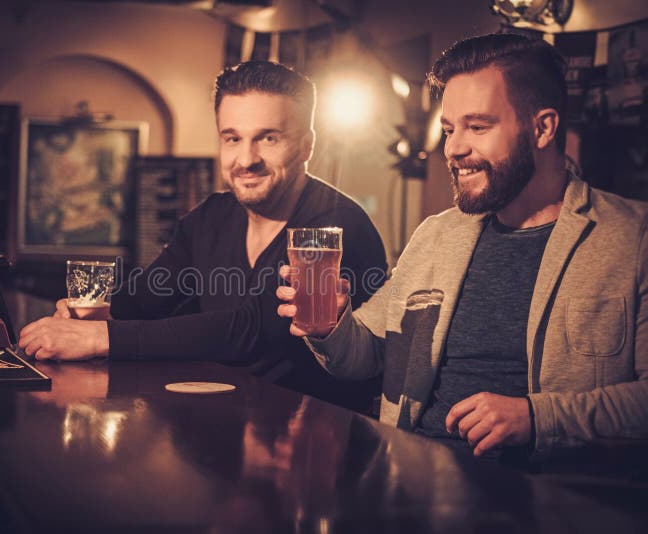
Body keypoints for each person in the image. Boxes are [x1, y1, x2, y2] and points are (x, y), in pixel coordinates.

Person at [277, 33, 648, 462]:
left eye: (477, 126)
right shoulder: (436, 236)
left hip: (558, 499)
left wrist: (536, 417)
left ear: (542, 127)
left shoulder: (631, 237)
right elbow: (363, 354)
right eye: (450, 129)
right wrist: (329, 328)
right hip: (413, 476)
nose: (453, 148)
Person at [19, 61, 388, 413]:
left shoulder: (335, 227)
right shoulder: (211, 217)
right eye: (232, 138)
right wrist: (86, 313)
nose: (246, 158)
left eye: (269, 138)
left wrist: (100, 338)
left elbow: (251, 330)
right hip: (222, 431)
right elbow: (148, 297)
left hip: (316, 443)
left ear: (307, 145)